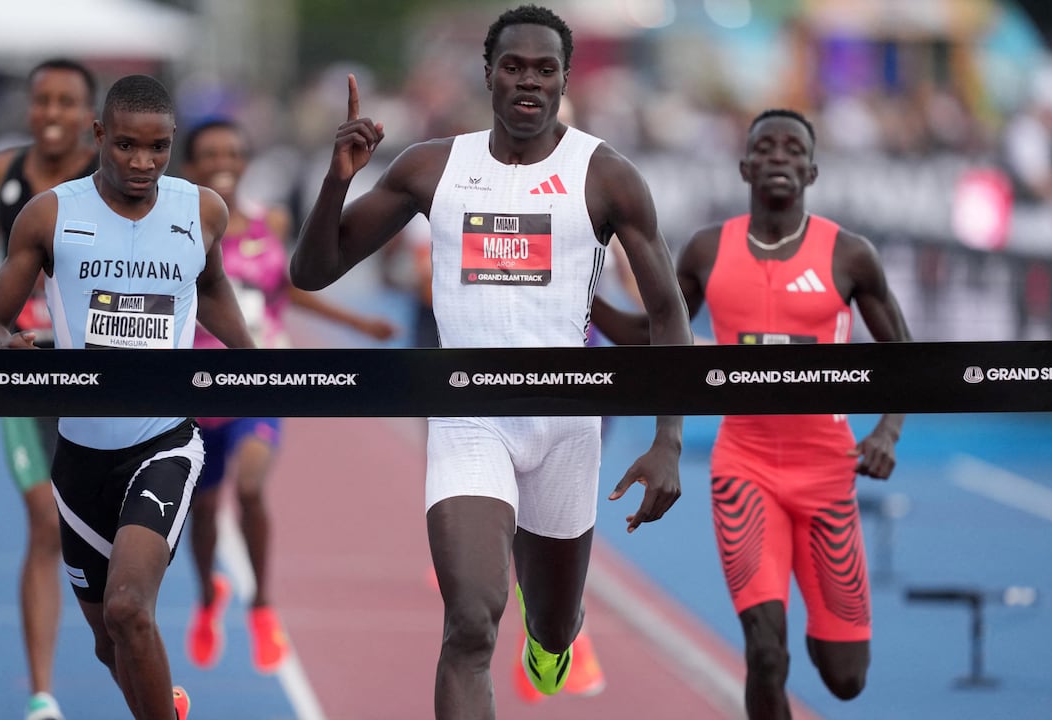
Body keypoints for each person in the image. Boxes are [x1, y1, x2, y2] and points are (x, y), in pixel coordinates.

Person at [289, 5, 693, 717]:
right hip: (469, 418)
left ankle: (553, 639)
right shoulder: (432, 167)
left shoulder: (606, 176)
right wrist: (336, 180)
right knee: (472, 622)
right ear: (488, 74)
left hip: (568, 427)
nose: (528, 81)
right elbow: (314, 271)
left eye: (544, 69)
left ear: (566, 78)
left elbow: (667, 314)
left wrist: (668, 442)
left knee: (551, 621)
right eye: (513, 66)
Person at [592, 109, 912, 719]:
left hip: (828, 473)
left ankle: (831, 632)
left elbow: (905, 360)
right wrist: (585, 298)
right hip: (745, 470)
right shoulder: (709, 250)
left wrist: (887, 432)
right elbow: (656, 334)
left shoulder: (850, 256)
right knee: (766, 653)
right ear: (744, 166)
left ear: (812, 170)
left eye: (794, 149)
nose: (779, 157)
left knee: (846, 678)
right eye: (766, 148)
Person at [0, 74, 255, 720]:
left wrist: (251, 360)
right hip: (79, 457)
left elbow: (209, 286)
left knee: (131, 608)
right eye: (125, 146)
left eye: (157, 149)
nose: (140, 163)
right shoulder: (50, 214)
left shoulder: (201, 209)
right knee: (110, 643)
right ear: (99, 135)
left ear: (172, 144)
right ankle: (162, 701)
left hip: (163, 442)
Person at [177, 117, 396, 673]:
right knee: (202, 511)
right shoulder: (173, 229)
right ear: (189, 167)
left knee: (250, 486)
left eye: (233, 151)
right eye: (210, 155)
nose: (223, 162)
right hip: (193, 391)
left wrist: (356, 322)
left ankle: (262, 604)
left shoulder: (267, 221)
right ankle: (208, 597)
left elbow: (290, 287)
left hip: (259, 381)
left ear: (246, 160)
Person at [0, 57, 98, 720]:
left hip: (91, 369)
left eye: (67, 101)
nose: (53, 113)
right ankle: (41, 695)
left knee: (97, 532)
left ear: (91, 115)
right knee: (43, 521)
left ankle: (119, 650)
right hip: (19, 365)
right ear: (29, 108)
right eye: (43, 101)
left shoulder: (110, 178)